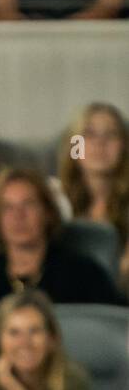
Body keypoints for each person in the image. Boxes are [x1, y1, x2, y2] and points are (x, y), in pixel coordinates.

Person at [0, 168, 124, 326]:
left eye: (28, 204)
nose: (18, 216)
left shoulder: (84, 274)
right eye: (7, 207)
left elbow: (116, 329)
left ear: (48, 213)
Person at [54, 102, 129, 291]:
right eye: (89, 134)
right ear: (73, 147)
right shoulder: (53, 199)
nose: (100, 143)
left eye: (111, 134)